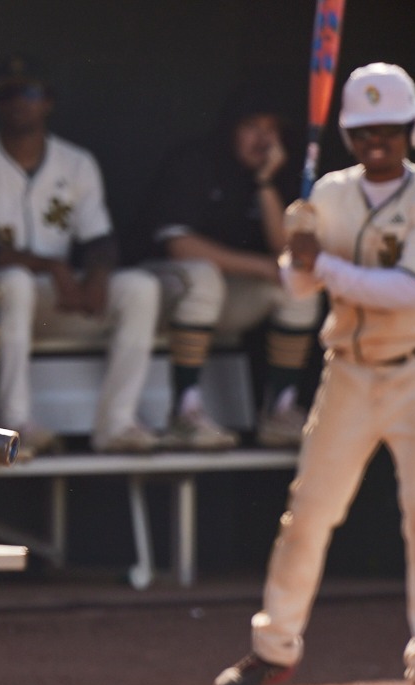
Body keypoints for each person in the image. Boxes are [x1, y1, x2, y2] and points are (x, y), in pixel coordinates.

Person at [215, 64, 415, 685]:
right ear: (349, 136)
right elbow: (298, 289)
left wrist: (319, 262)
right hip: (349, 372)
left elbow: (407, 290)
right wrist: (294, 252)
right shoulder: (329, 191)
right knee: (309, 513)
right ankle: (274, 648)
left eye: (388, 130)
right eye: (362, 131)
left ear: (412, 129)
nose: (375, 142)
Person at [0, 56, 161, 453]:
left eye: (30, 92)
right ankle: (15, 419)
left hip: (57, 300)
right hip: (4, 300)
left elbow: (100, 239)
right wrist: (55, 267)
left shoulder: (76, 162)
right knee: (16, 281)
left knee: (140, 288)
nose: (20, 102)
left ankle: (117, 424)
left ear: (48, 101)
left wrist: (97, 279)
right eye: (8, 94)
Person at [142, 90, 320, 449]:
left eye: (272, 129)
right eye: (252, 126)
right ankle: (185, 412)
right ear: (230, 129)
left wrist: (266, 185)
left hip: (218, 300)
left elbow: (283, 252)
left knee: (297, 287)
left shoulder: (271, 174)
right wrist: (260, 266)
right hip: (156, 291)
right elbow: (180, 245)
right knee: (203, 277)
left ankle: (280, 410)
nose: (263, 139)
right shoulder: (195, 161)